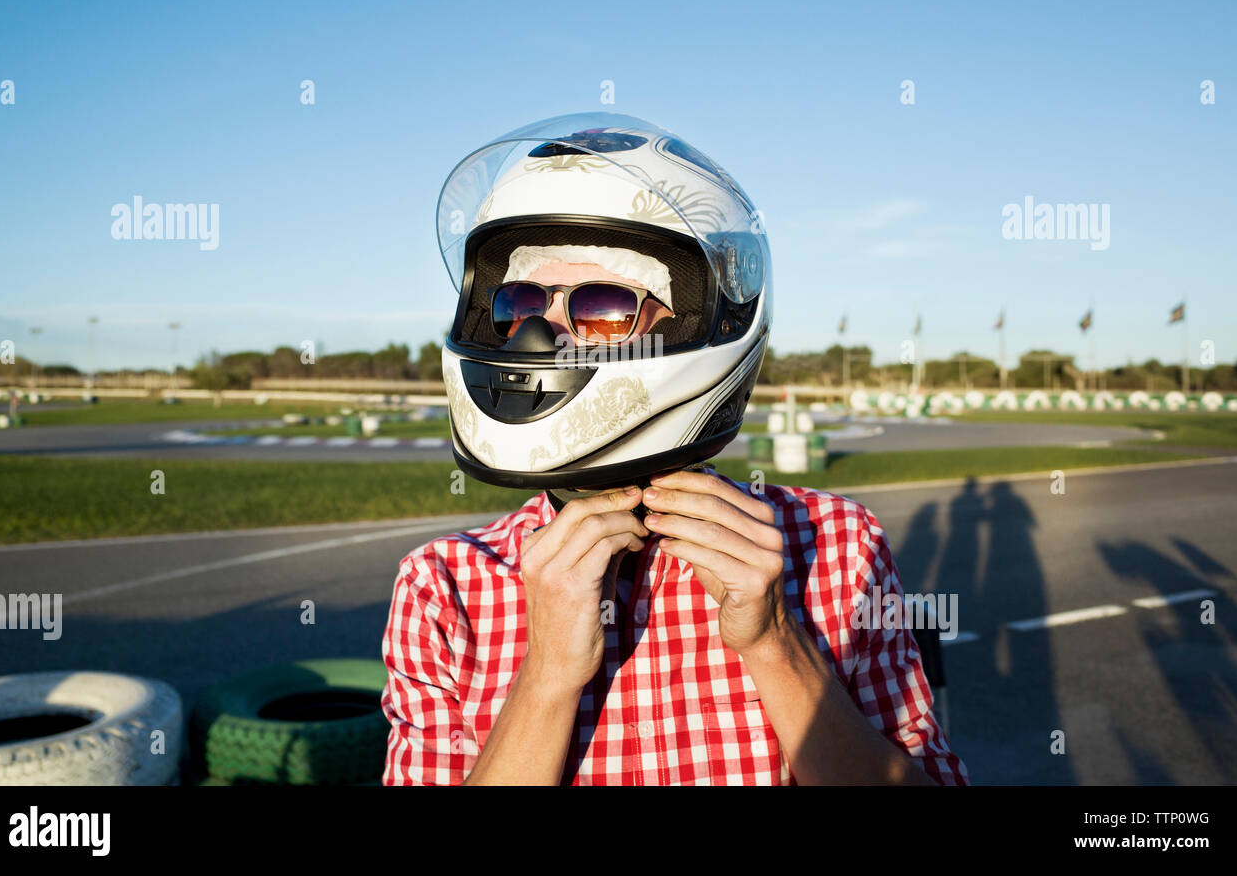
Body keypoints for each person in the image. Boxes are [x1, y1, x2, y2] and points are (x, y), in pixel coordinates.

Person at [381, 113, 969, 785]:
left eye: (602, 306)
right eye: (518, 304)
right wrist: (545, 677)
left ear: (701, 322)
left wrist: (776, 640)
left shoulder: (834, 544)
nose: (538, 339)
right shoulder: (446, 584)